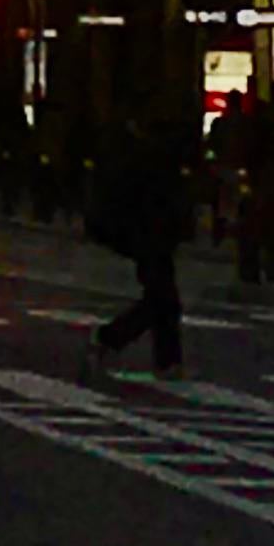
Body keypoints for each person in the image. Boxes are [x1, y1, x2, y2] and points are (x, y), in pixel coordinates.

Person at [85, 110, 192, 379]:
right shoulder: (147, 160)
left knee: (161, 298)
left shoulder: (137, 155)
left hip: (150, 236)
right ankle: (117, 340)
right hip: (149, 235)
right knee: (162, 298)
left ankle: (164, 359)